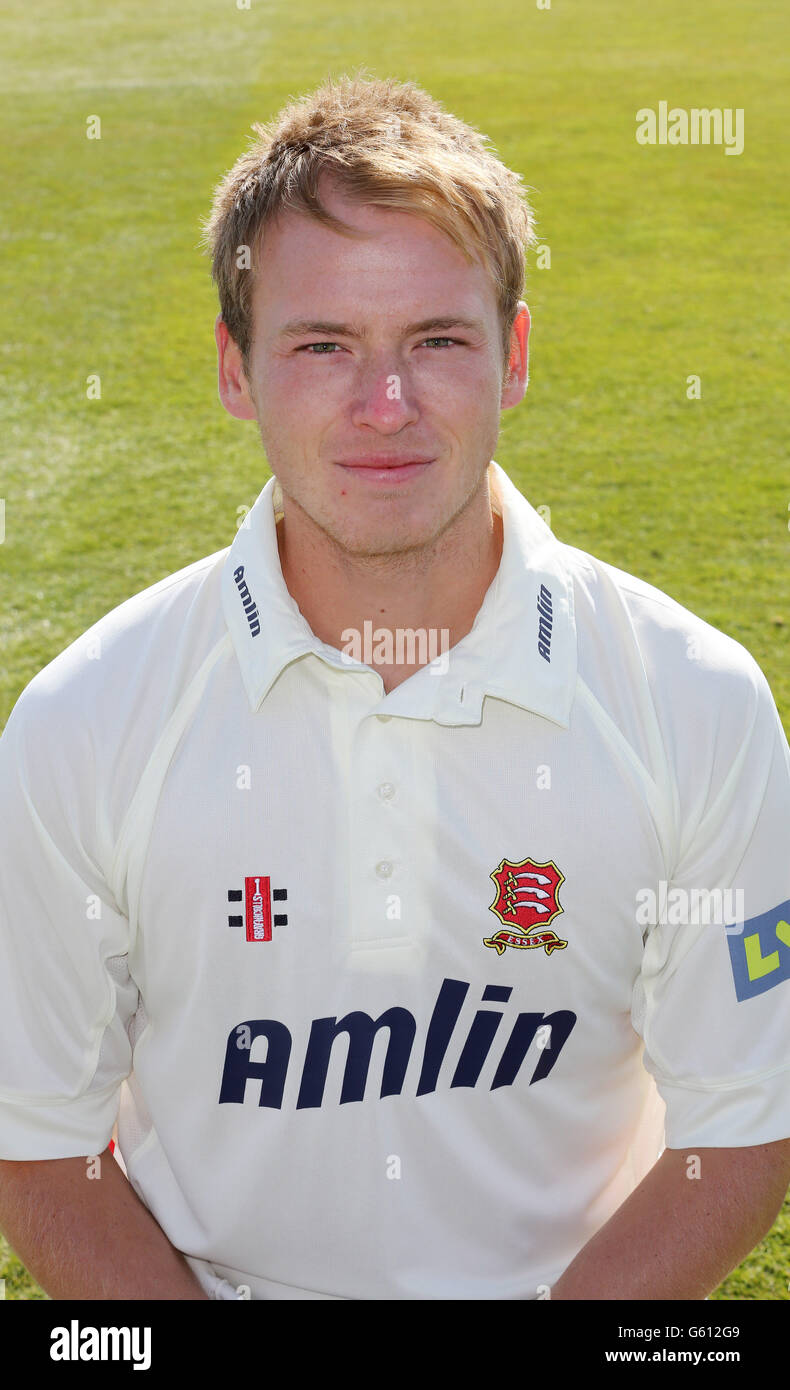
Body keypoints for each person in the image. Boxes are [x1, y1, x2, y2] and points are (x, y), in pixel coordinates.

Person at [1, 73, 789, 1302]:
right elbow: (36, 1144)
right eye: (322, 346)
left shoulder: (698, 702)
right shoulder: (81, 720)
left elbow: (738, 1138)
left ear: (513, 355)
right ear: (234, 369)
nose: (386, 407)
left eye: (437, 341)